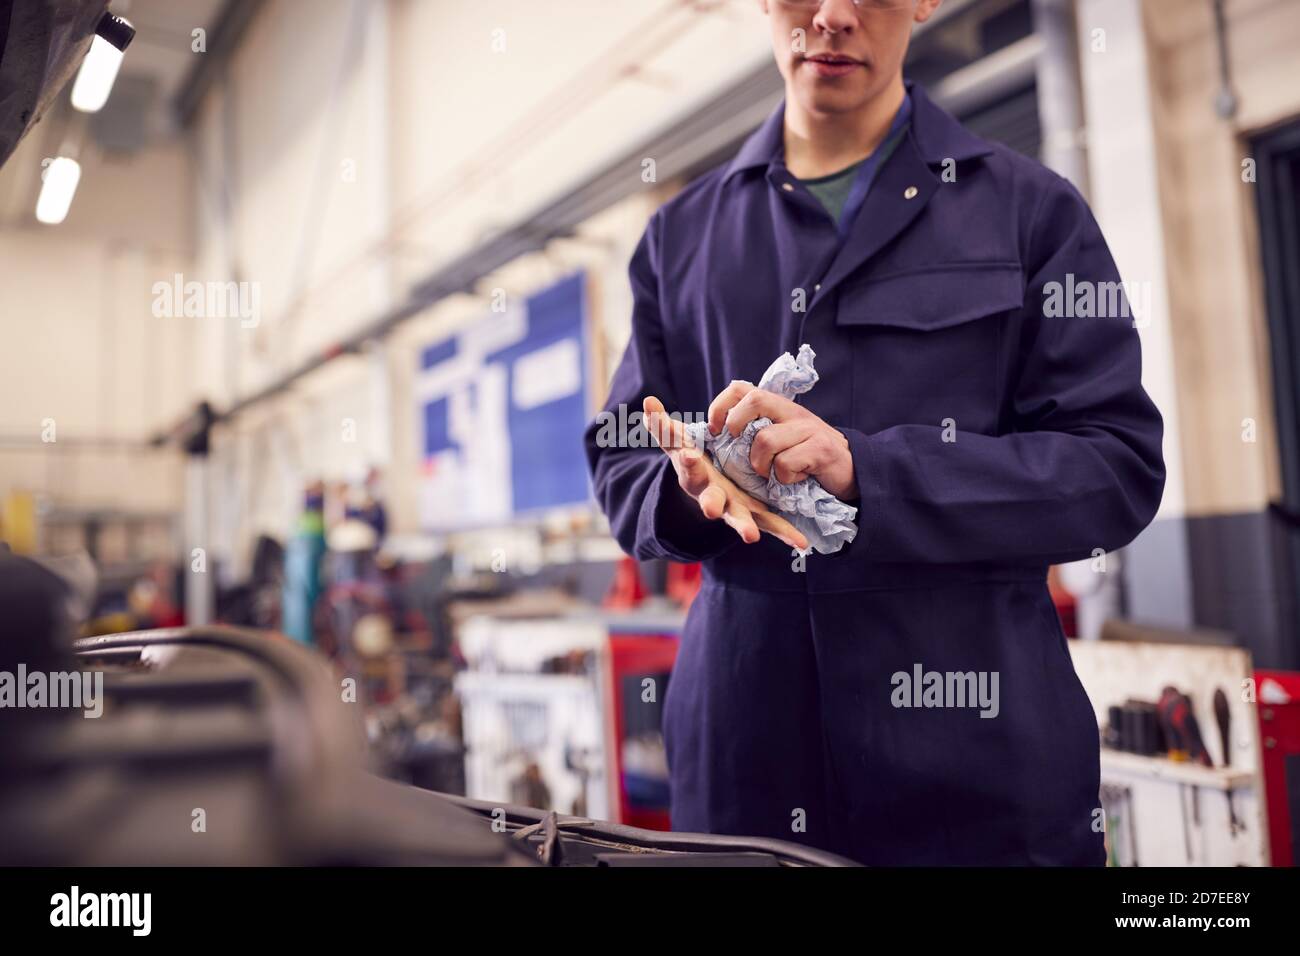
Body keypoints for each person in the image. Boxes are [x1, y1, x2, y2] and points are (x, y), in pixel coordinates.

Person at [584, 0, 1165, 865]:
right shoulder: (679, 238)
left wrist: (873, 473)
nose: (832, 15)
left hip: (978, 759)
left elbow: (1114, 466)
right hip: (747, 756)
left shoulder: (1028, 211)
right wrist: (685, 483)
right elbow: (624, 446)